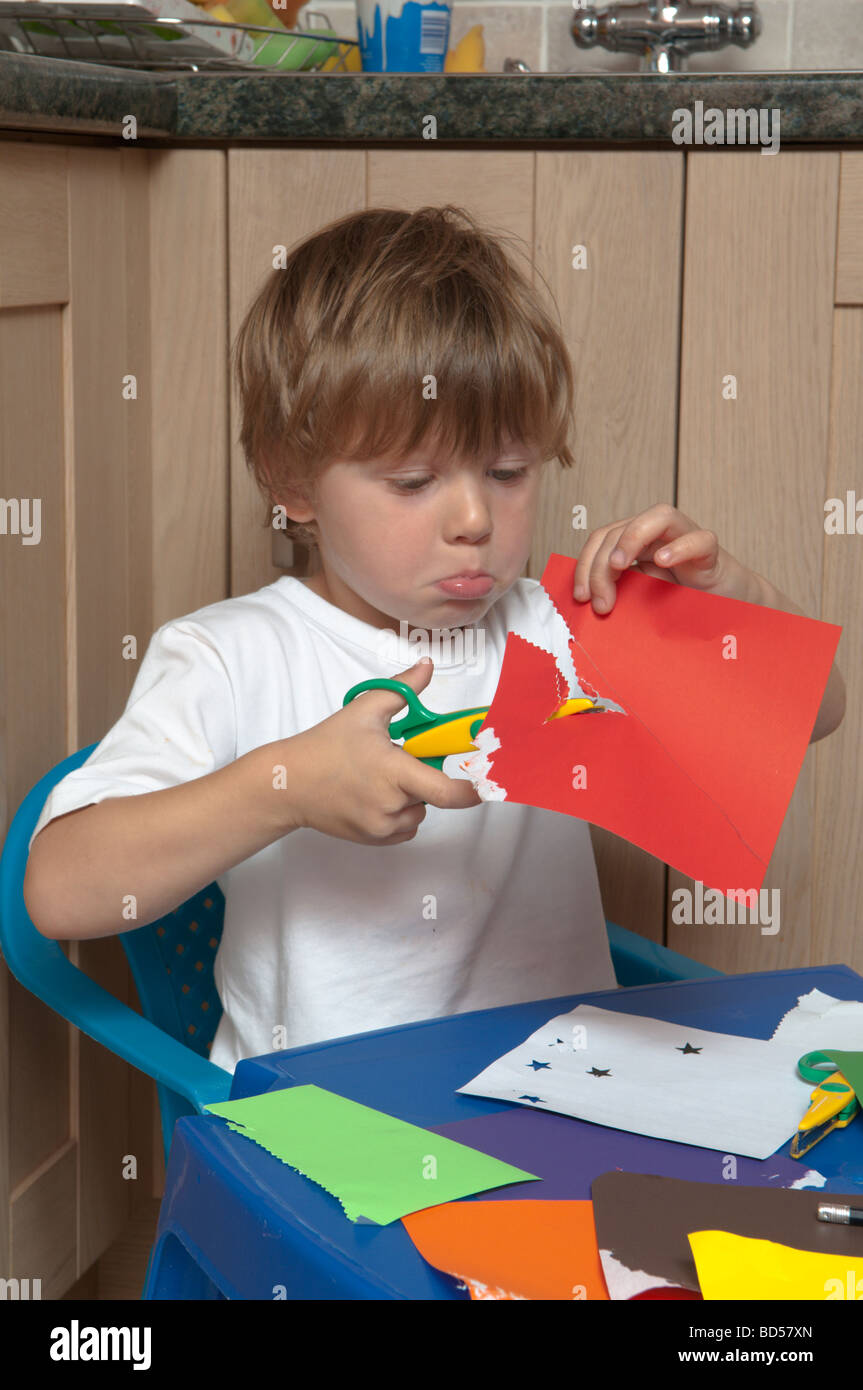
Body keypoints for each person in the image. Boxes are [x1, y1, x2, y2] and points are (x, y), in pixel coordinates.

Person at [23, 205, 845, 1075]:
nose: (474, 519)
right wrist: (283, 787)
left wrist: (726, 596)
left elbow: (812, 713)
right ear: (292, 481)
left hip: (560, 1101)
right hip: (319, 1124)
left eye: (507, 472)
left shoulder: (564, 626)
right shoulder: (230, 656)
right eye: (413, 480)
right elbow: (62, 891)